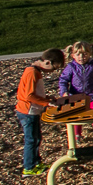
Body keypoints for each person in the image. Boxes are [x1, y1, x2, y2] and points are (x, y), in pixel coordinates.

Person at [16, 48, 66, 177]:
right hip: (28, 111)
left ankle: (36, 162)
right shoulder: (32, 73)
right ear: (47, 62)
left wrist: (46, 98)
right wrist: (46, 103)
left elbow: (35, 93)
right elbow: (29, 96)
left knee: (37, 138)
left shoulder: (34, 71)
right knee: (31, 140)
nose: (52, 72)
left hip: (32, 111)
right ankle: (28, 167)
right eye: (54, 68)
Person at [59, 41, 93, 142]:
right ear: (73, 55)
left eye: (85, 54)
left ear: (90, 54)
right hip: (76, 96)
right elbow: (63, 80)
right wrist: (64, 92)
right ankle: (77, 135)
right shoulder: (71, 67)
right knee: (77, 114)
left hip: (91, 95)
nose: (82, 57)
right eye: (78, 54)